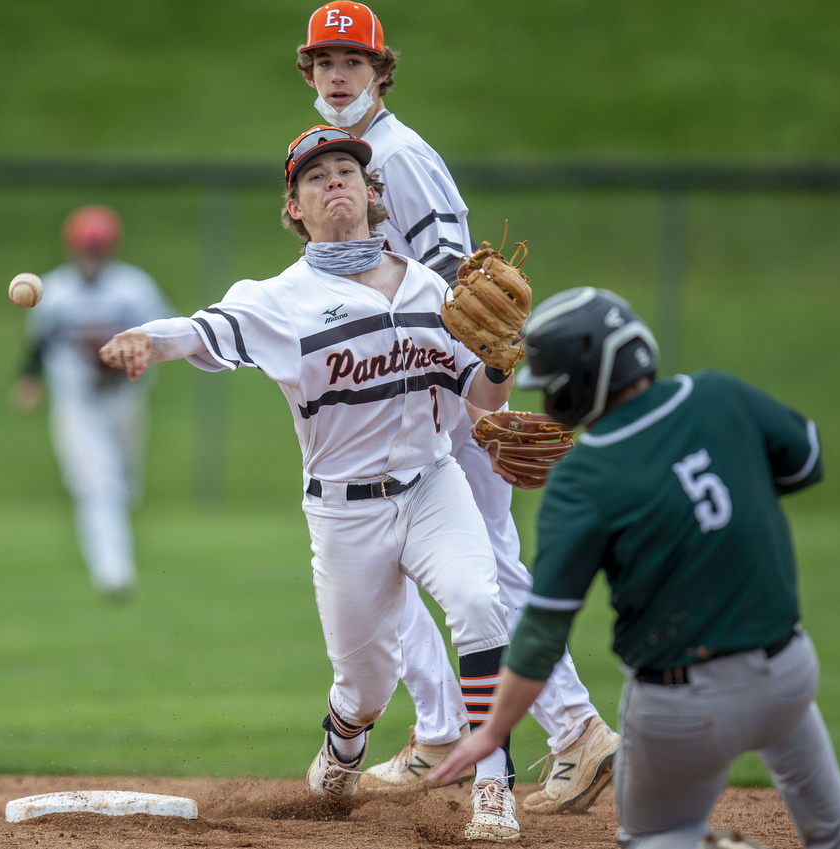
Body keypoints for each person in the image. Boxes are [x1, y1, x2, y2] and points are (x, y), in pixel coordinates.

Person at [99, 127, 523, 842]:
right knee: (365, 686)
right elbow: (205, 330)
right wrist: (150, 338)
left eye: (347, 171)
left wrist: (503, 363)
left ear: (371, 192)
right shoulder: (280, 300)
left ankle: (494, 784)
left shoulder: (428, 288)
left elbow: (480, 398)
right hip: (343, 512)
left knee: (480, 602)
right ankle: (345, 740)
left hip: (431, 485)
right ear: (294, 207)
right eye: (316, 176)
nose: (335, 183)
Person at [295, 1, 619, 812]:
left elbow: (455, 287)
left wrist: (479, 397)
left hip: (448, 399)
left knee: (489, 573)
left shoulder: (398, 157)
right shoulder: (352, 156)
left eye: (354, 62)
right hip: (402, 401)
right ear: (309, 72)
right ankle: (439, 727)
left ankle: (577, 729)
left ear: (381, 71)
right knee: (387, 568)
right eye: (325, 61)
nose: (338, 73)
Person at [431, 287, 840, 849]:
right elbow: (805, 460)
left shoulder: (584, 481)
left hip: (680, 707)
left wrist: (493, 732)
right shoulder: (718, 394)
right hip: (786, 676)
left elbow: (544, 628)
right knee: (836, 829)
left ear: (576, 383)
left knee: (656, 836)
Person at [12, 205, 171, 598]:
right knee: (97, 483)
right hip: (77, 405)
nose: (91, 255)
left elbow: (164, 334)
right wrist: (28, 380)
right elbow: (39, 342)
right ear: (73, 248)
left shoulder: (133, 288)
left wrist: (131, 358)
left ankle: (112, 554)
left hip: (125, 400)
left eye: (98, 248)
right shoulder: (55, 291)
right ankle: (113, 573)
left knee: (124, 483)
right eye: (86, 247)